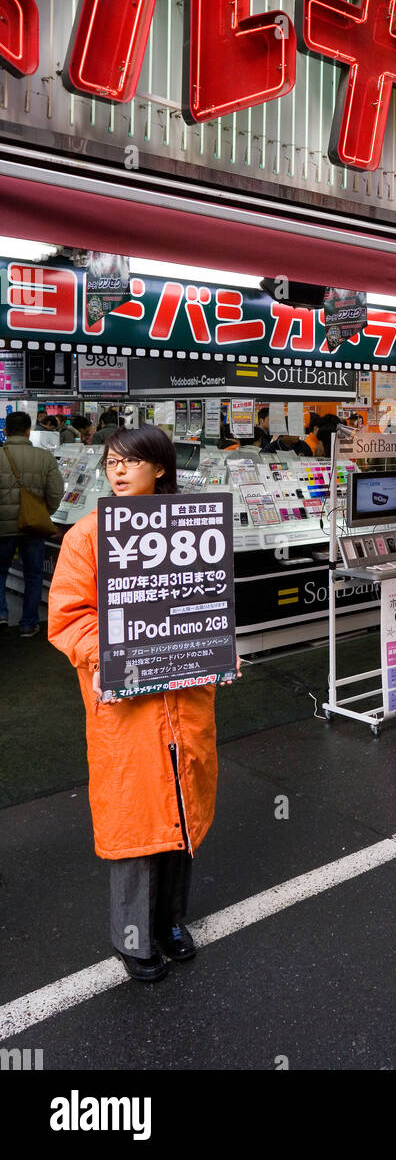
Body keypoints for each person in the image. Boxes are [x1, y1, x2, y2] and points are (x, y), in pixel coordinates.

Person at [47, 426, 236, 983]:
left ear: (160, 468)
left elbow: (209, 602)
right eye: (111, 462)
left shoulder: (192, 525)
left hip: (186, 699)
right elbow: (69, 619)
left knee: (180, 806)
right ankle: (132, 936)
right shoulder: (87, 535)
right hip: (125, 707)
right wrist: (111, 661)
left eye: (131, 461)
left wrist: (217, 651)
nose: (118, 470)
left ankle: (170, 921)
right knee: (134, 816)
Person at [0, 412, 64, 637]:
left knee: (0, 572)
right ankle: (28, 624)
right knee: (34, 576)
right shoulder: (44, 457)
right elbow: (56, 491)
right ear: (28, 431)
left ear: (5, 431)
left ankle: (2, 613)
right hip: (33, 527)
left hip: (2, 528)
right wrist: (44, 513)